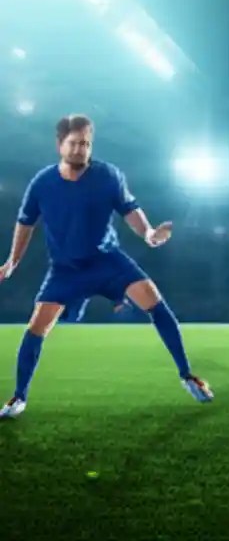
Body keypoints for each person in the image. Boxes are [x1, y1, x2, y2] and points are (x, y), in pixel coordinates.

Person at [0, 114, 212, 419]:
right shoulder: (43, 183)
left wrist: (150, 233)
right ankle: (18, 398)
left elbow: (130, 209)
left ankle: (187, 376)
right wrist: (11, 263)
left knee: (155, 301)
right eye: (73, 143)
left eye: (85, 144)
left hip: (108, 260)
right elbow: (25, 223)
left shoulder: (108, 175)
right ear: (60, 144)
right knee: (36, 327)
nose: (80, 150)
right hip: (66, 270)